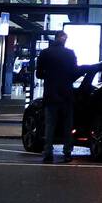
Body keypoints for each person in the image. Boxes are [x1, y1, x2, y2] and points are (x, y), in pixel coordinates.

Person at [36, 31, 80, 164]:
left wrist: (49, 76)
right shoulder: (70, 53)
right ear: (64, 40)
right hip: (66, 94)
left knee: (50, 125)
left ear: (55, 38)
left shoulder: (45, 53)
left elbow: (38, 74)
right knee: (68, 125)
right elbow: (75, 73)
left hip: (51, 94)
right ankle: (67, 153)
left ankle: (48, 153)